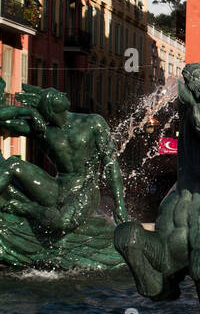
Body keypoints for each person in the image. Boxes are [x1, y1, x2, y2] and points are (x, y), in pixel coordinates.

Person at [0, 85, 127, 236]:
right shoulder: (42, 131)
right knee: (13, 163)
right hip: (56, 187)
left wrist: (119, 204)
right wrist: (28, 111)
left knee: (62, 223)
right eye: (51, 95)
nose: (59, 92)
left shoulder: (94, 122)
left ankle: (24, 208)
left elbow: (111, 164)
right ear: (48, 108)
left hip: (85, 189)